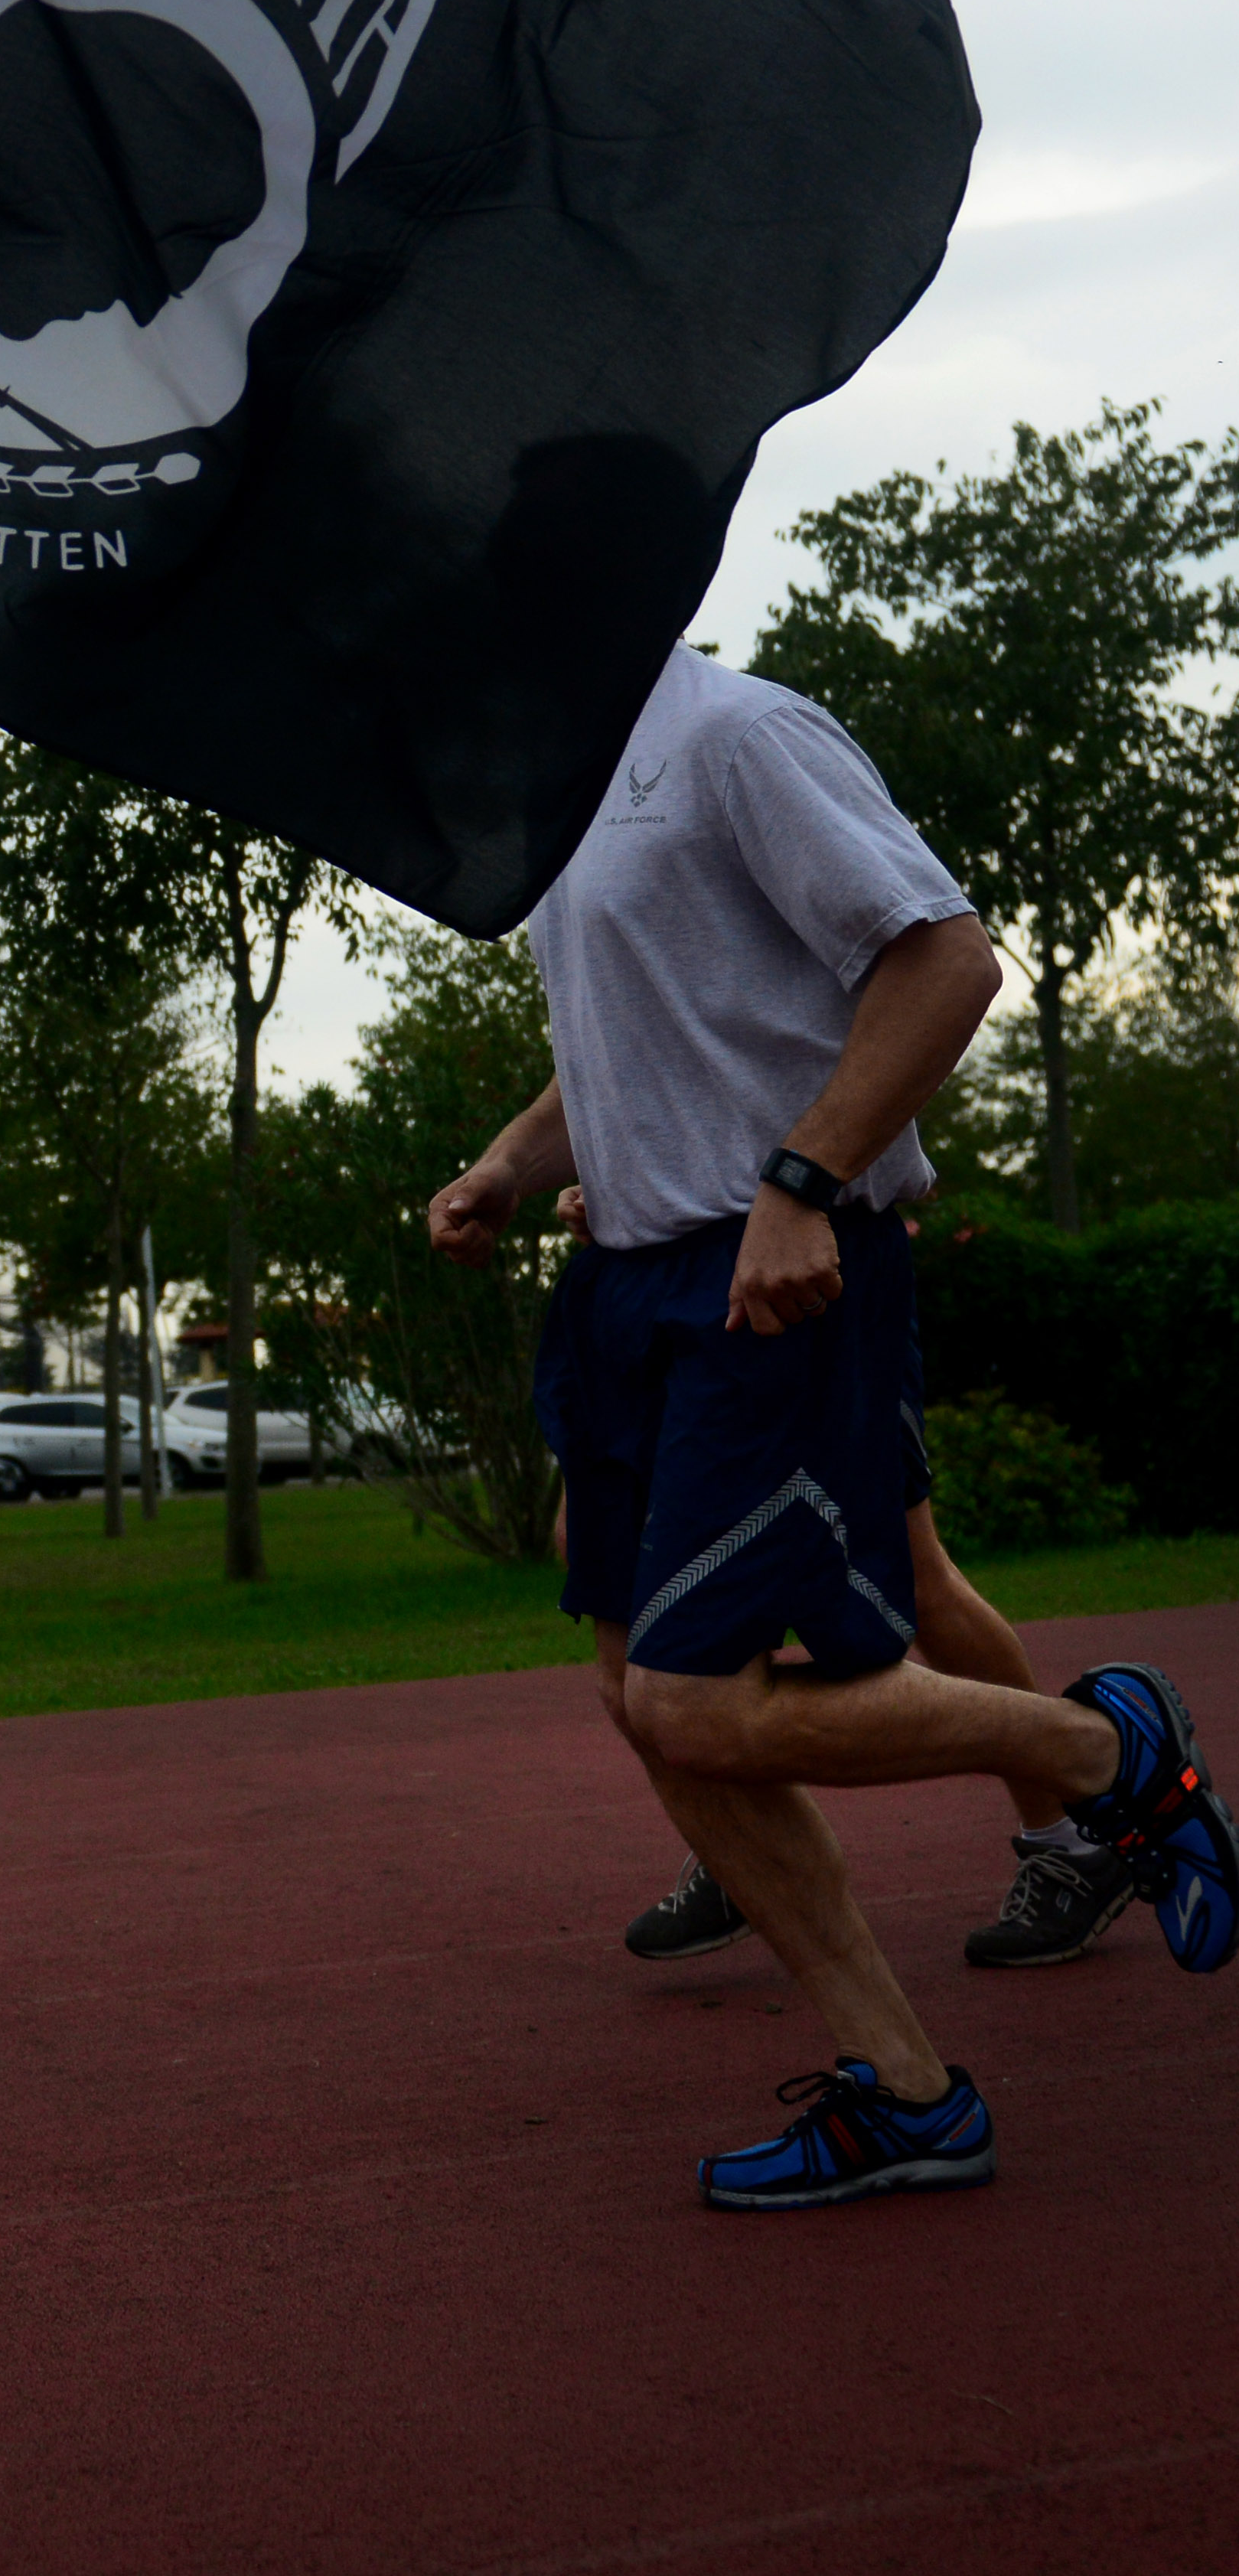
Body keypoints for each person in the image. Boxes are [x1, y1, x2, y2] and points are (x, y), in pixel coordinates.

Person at [428, 640, 1239, 2206]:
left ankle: (1100, 1745)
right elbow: (650, 1028)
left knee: (690, 1698)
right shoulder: (571, 782)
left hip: (766, 1279)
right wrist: (509, 1159)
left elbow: (942, 958)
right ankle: (911, 2090)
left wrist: (801, 1181)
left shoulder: (734, 734)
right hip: (625, 1293)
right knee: (633, 1681)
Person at [554, 1161, 1135, 1977]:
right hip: (674, 1278)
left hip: (806, 1273)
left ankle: (1068, 1833)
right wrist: (622, 1183)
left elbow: (866, 1064)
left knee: (918, 1571)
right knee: (627, 1562)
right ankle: (745, 1842)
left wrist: (800, 1186)